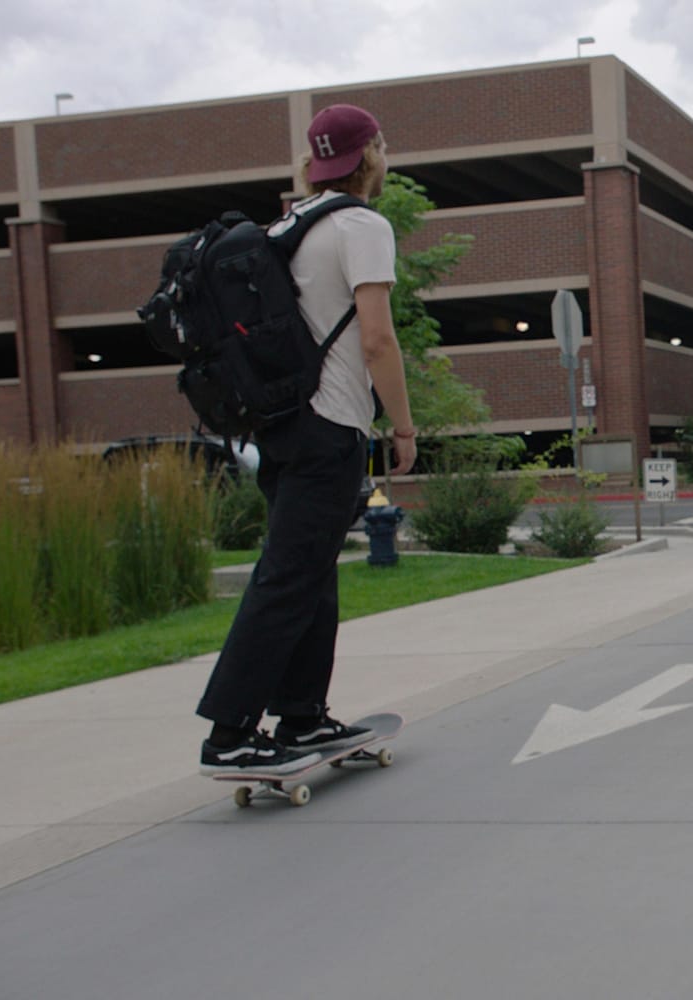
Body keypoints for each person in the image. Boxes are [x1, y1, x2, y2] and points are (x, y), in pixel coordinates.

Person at [197, 104, 418, 773]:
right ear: (371, 155)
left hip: (285, 424)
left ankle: (301, 716)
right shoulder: (361, 226)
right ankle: (231, 732)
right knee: (290, 575)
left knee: (310, 571)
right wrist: (402, 424)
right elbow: (377, 338)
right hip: (330, 423)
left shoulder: (290, 222)